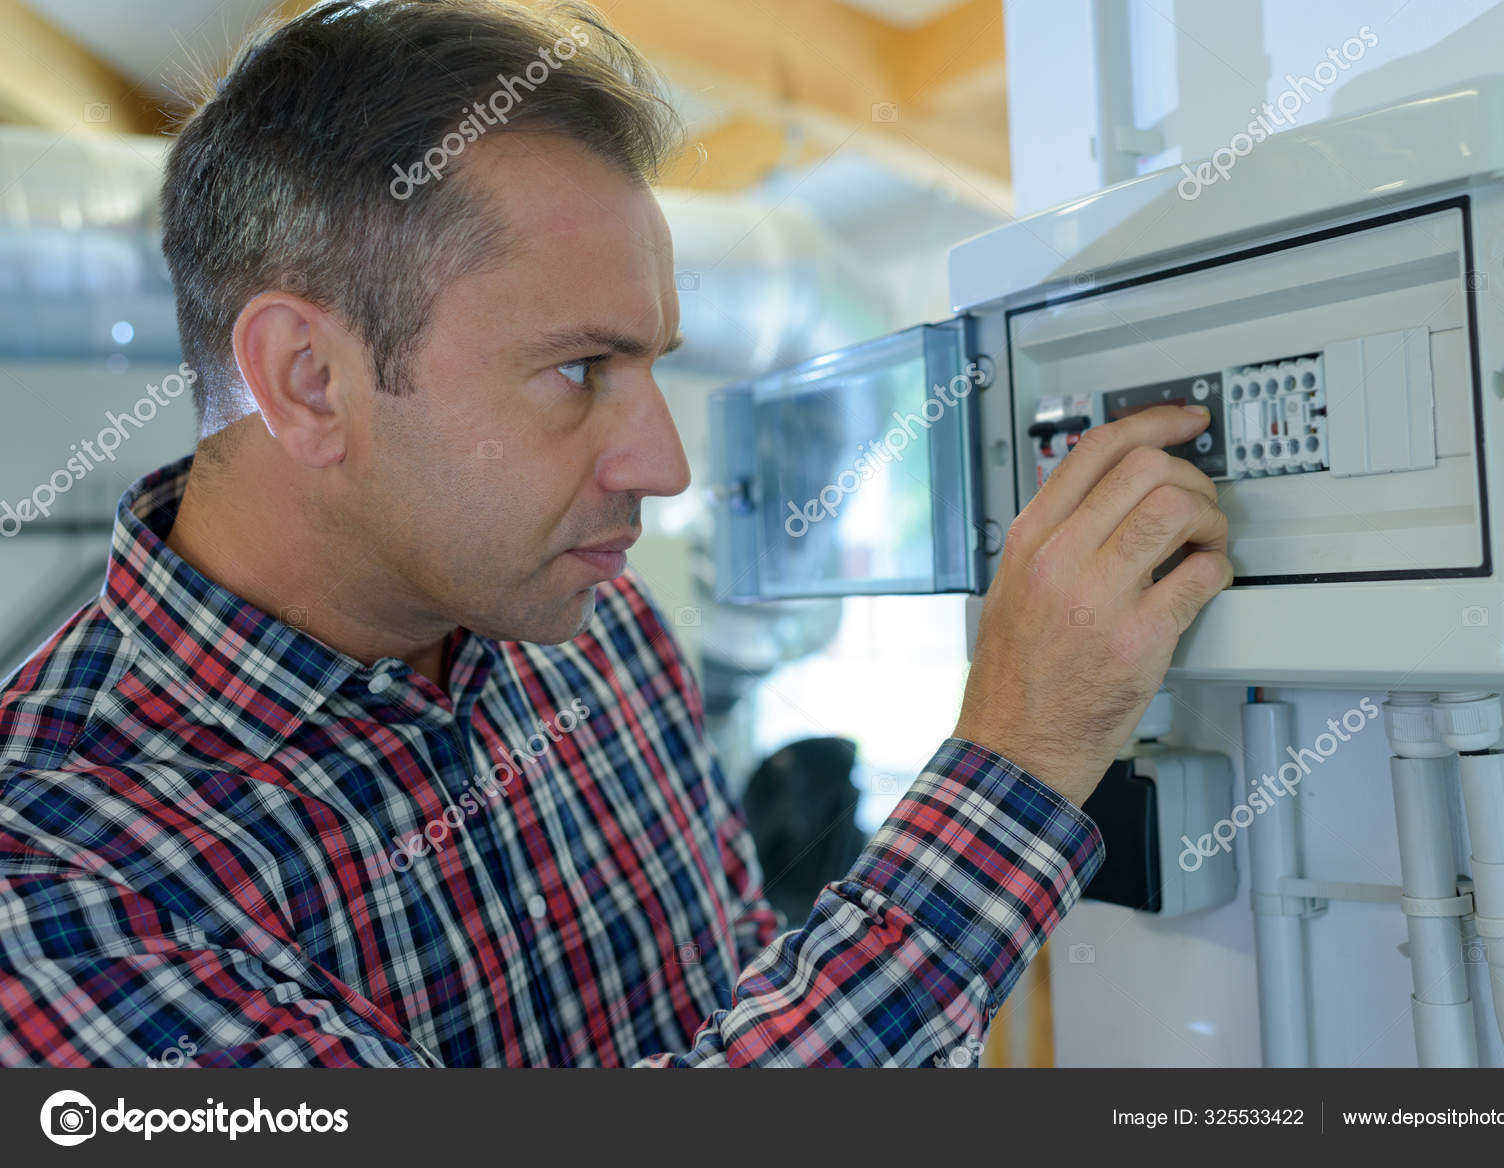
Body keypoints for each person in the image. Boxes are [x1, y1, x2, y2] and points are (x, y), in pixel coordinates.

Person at [0, 0, 1230, 1067]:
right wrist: (1016, 757)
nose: (667, 464)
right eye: (580, 368)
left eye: (650, 365)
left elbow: (736, 992)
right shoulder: (59, 886)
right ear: (309, 378)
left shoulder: (593, 628)